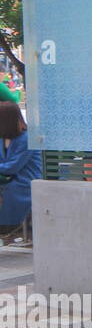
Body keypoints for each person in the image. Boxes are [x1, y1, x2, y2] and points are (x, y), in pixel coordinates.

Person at [0, 101, 40, 242]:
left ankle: (7, 228)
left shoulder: (27, 138)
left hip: (25, 181)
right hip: (9, 178)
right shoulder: (2, 138)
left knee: (10, 190)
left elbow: (13, 167)